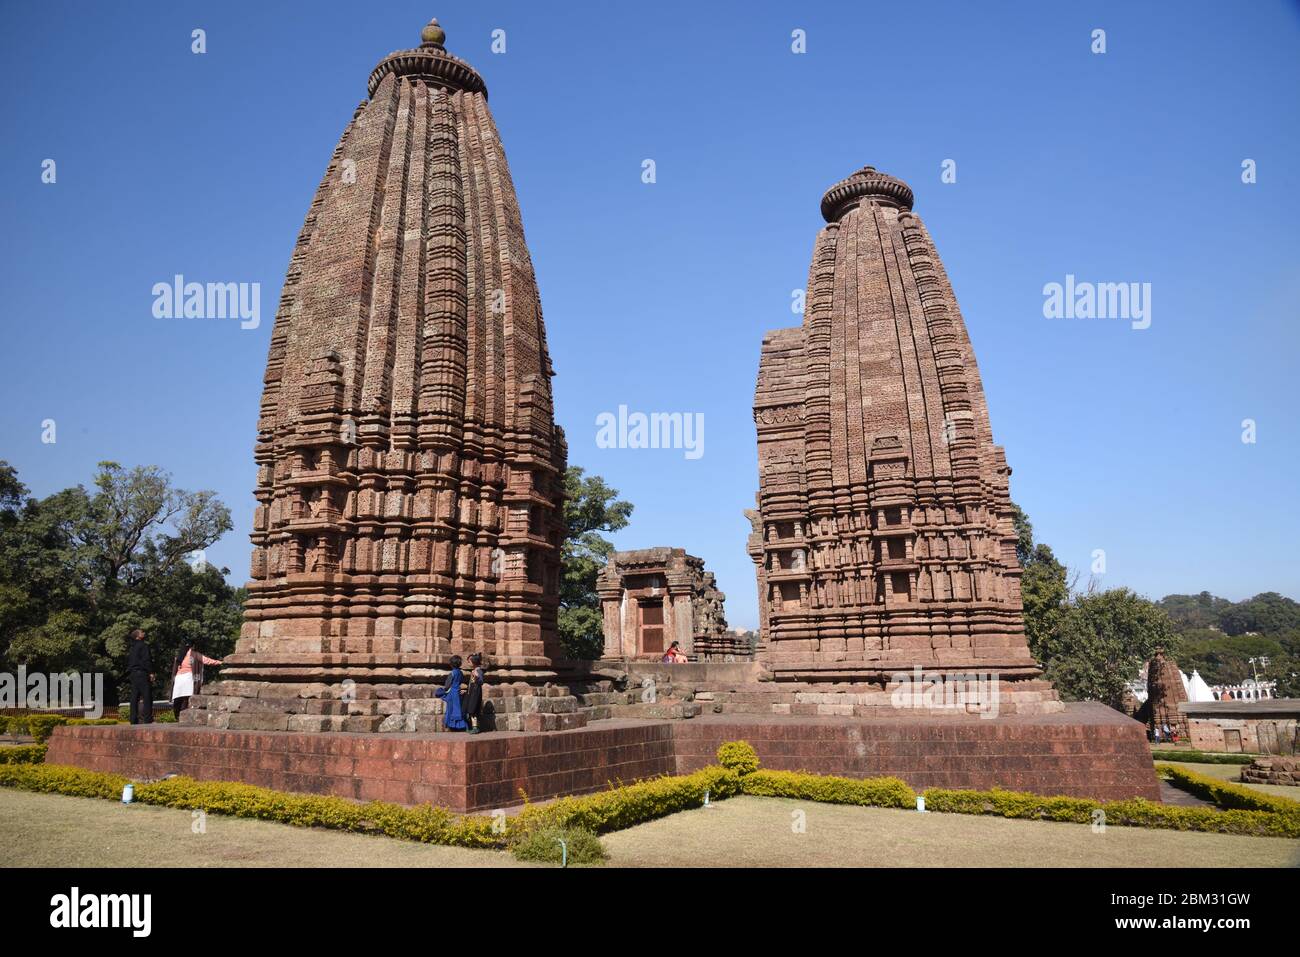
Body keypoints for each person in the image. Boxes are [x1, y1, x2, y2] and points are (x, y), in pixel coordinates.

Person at [171, 640, 224, 720]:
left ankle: (177, 717)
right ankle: (183, 718)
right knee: (186, 699)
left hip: (178, 679)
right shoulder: (195, 654)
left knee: (177, 699)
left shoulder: (179, 655)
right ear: (192, 646)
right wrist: (220, 662)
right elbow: (207, 661)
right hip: (188, 678)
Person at [125, 628, 154, 724]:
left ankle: (133, 719)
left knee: (134, 697)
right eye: (142, 632)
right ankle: (147, 719)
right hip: (142, 673)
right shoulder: (143, 646)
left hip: (133, 673)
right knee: (147, 696)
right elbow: (146, 660)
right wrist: (151, 672)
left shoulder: (132, 648)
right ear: (138, 636)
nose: (144, 633)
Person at [434, 655, 469, 731]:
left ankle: (452, 725)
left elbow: (447, 686)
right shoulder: (460, 672)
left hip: (452, 693)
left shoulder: (452, 673)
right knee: (458, 708)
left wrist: (445, 689)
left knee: (451, 708)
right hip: (458, 692)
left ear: (451, 664)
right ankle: (461, 725)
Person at [463, 653, 485, 734]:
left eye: (469, 661)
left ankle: (475, 728)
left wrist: (477, 677)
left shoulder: (479, 671)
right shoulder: (473, 671)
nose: (468, 663)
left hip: (476, 693)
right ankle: (472, 726)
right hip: (471, 693)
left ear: (474, 662)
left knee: (473, 710)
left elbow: (481, 682)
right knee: (470, 709)